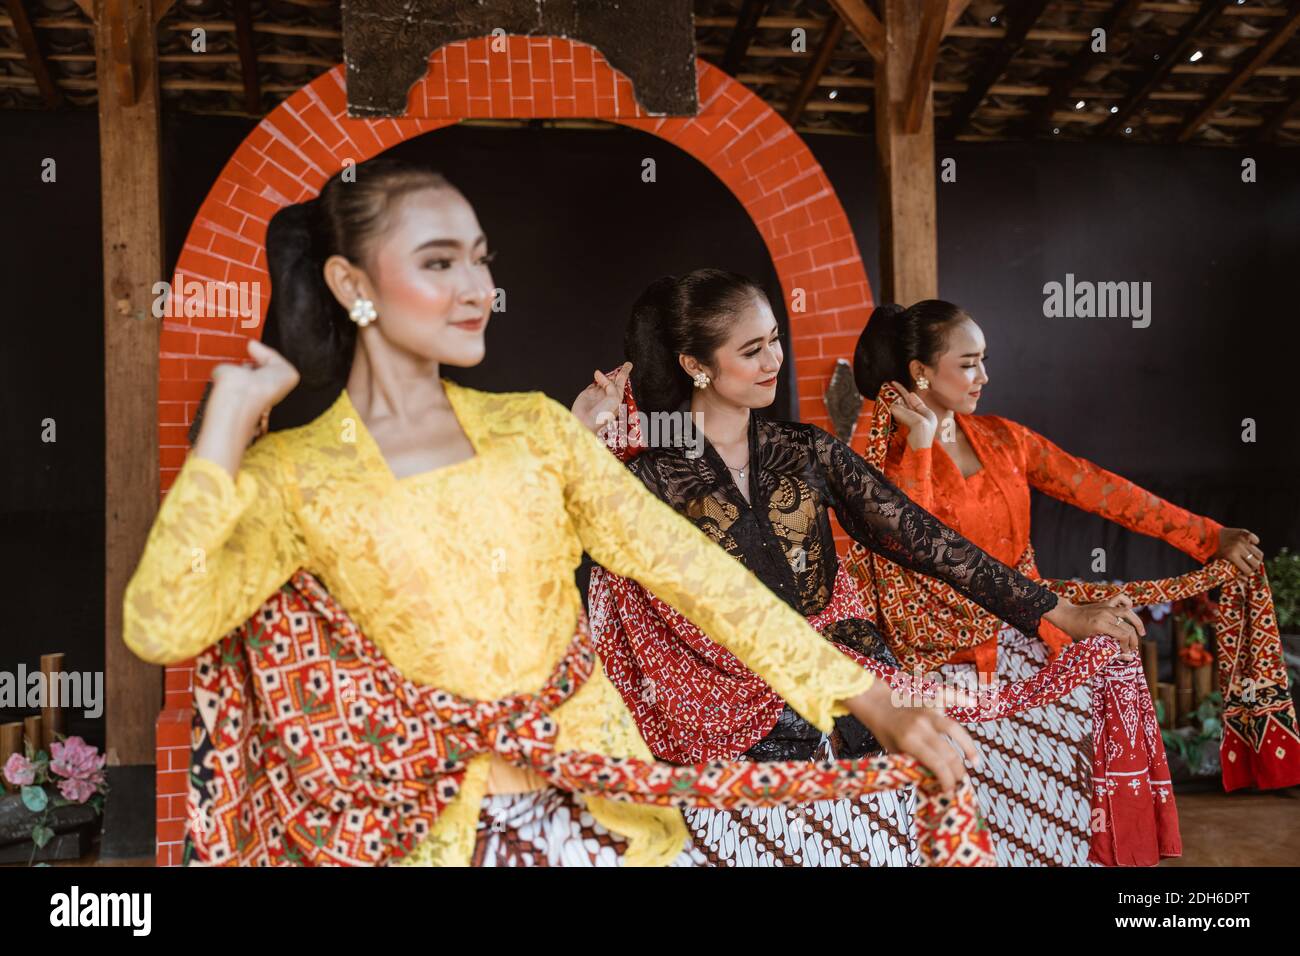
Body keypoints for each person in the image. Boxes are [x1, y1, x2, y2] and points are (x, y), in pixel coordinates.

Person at [122, 158, 986, 868]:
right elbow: (164, 623)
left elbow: (696, 575)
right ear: (352, 283)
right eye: (438, 262)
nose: (475, 287)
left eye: (480, 258)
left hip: (594, 821)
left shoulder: (532, 431)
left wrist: (866, 697)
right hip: (411, 838)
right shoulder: (289, 474)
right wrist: (225, 436)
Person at [569, 270, 1142, 866]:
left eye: (774, 339)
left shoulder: (807, 450)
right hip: (728, 726)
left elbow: (925, 541)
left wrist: (1058, 611)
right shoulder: (648, 478)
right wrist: (581, 435)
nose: (774, 360)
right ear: (696, 364)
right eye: (751, 349)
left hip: (856, 698)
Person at [851, 299, 1263, 865]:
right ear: (921, 371)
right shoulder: (876, 457)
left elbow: (1099, 489)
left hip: (1029, 637)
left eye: (985, 360)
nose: (985, 376)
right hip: (941, 661)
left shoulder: (1003, 439)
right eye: (968, 363)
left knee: (1068, 797)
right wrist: (921, 443)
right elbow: (908, 548)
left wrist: (1208, 537)